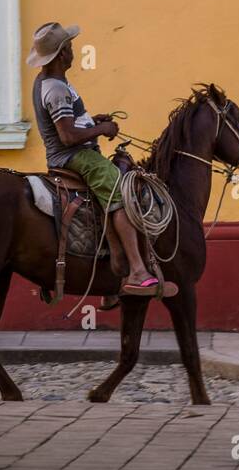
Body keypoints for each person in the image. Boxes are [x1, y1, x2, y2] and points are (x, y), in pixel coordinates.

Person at [27, 21, 162, 296]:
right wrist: (103, 129)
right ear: (63, 53)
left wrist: (90, 121)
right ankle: (137, 270)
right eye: (70, 47)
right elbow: (66, 136)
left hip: (73, 151)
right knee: (118, 189)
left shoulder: (47, 81)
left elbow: (66, 122)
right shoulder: (56, 89)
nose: (74, 51)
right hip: (74, 156)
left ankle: (111, 274)